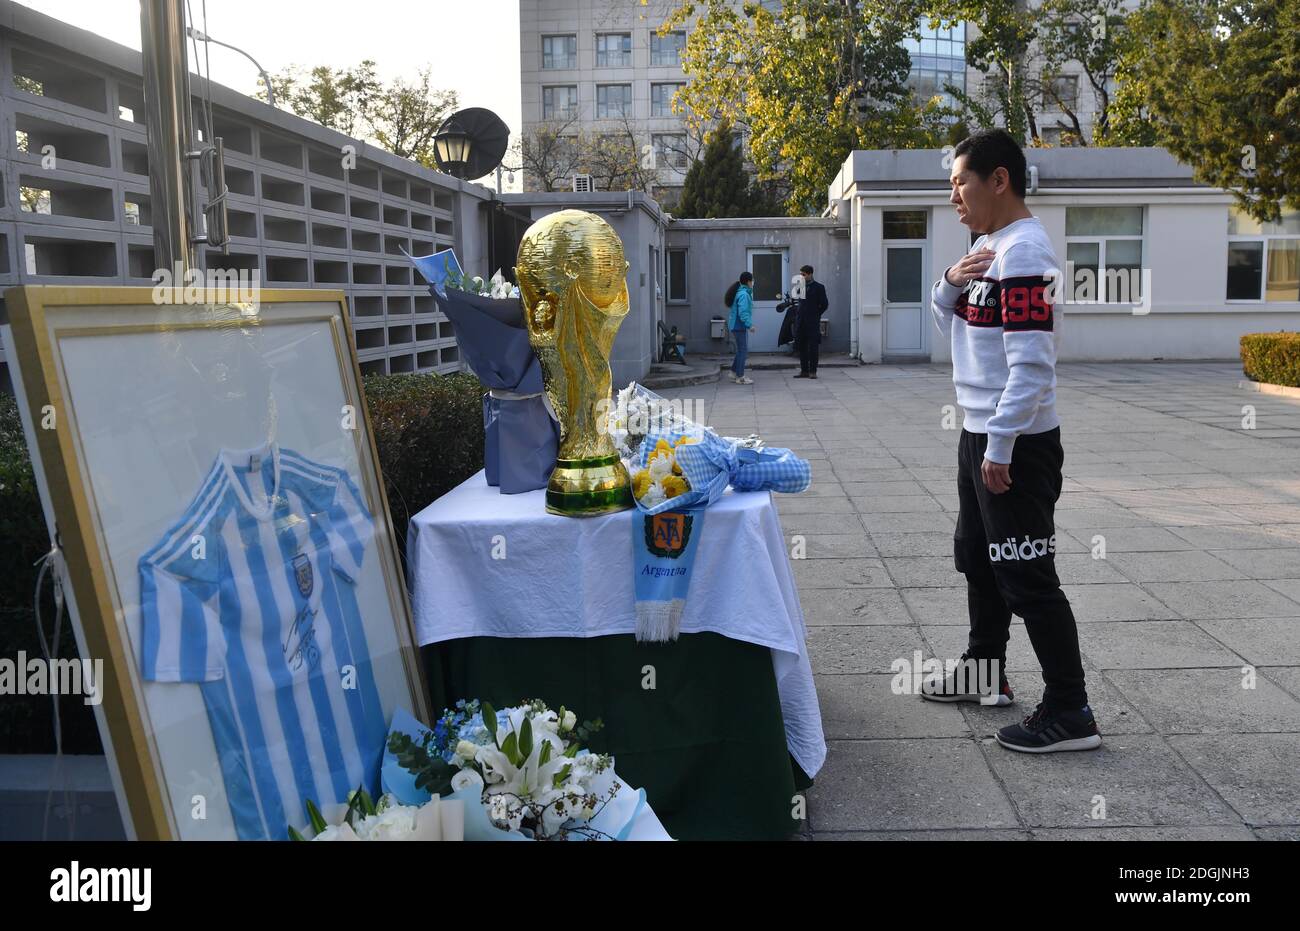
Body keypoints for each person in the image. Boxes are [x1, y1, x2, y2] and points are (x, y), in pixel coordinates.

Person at [922, 127, 1101, 754]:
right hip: (980, 432)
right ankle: (984, 675)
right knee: (979, 559)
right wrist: (949, 274)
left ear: (999, 180)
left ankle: (1071, 711)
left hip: (1016, 443)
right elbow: (945, 318)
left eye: (960, 183)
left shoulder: (1025, 253)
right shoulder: (988, 245)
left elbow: (1032, 366)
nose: (954, 198)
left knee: (1027, 576)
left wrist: (1000, 447)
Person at [792, 265, 828, 379]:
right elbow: (798, 302)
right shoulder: (800, 287)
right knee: (802, 346)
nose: (801, 277)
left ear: (810, 274)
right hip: (801, 321)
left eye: (803, 275)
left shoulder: (819, 287)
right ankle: (804, 371)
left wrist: (816, 314)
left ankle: (813, 371)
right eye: (801, 274)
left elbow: (824, 304)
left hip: (812, 322)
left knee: (813, 347)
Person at [725, 271, 755, 384]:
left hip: (736, 326)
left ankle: (733, 372)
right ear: (748, 282)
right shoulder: (744, 294)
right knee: (743, 351)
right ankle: (740, 377)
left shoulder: (740, 292)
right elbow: (743, 313)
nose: (753, 283)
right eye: (752, 280)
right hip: (739, 326)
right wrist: (750, 325)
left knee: (740, 350)